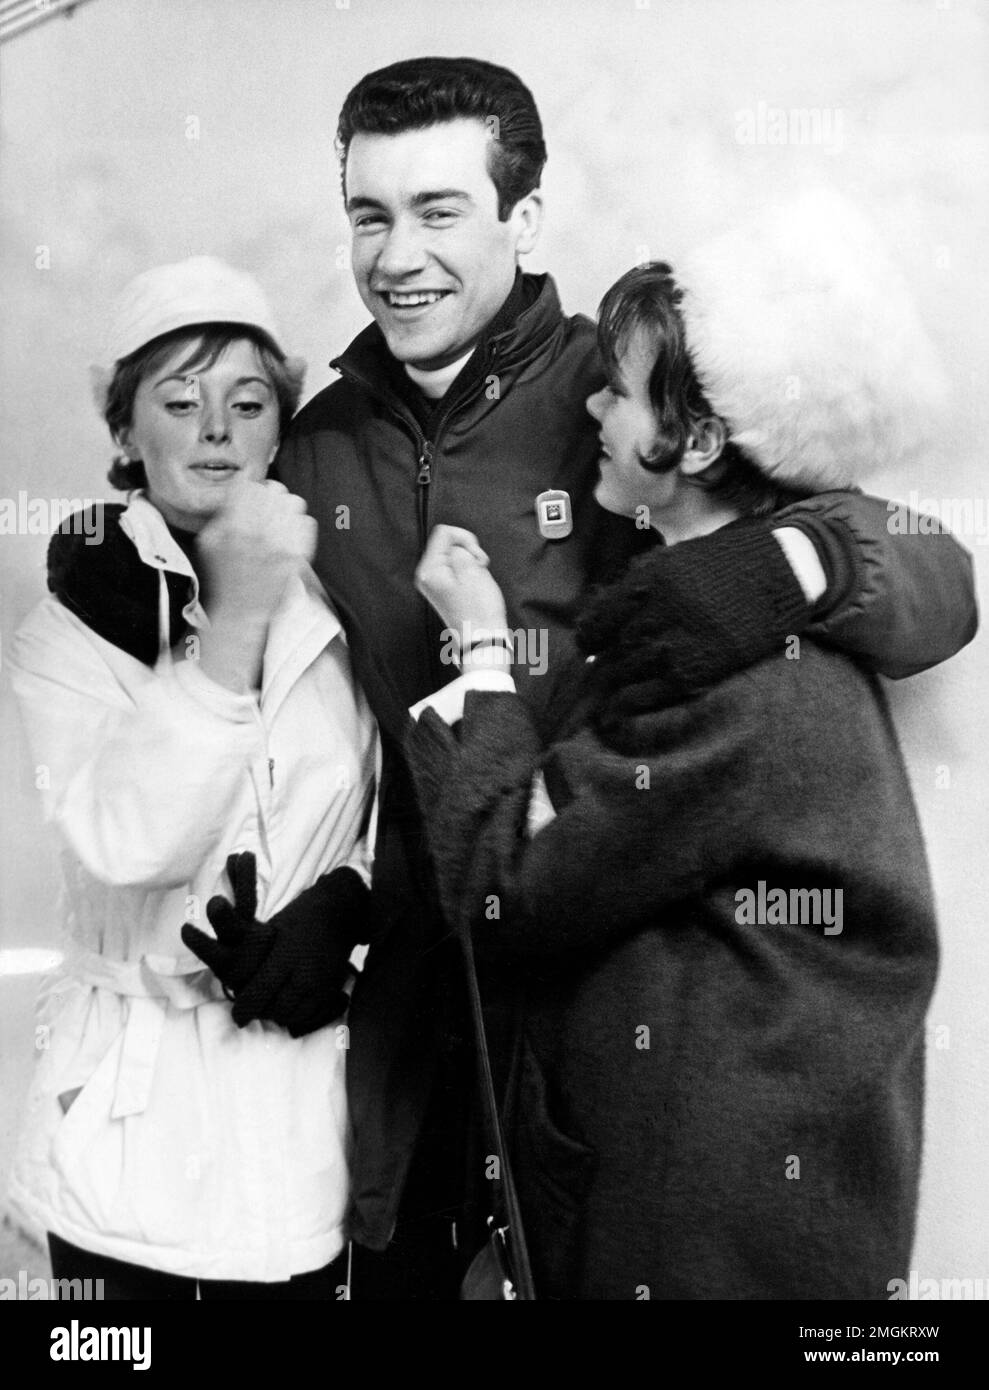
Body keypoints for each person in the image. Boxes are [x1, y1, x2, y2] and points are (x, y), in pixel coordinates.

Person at [271, 57, 976, 1297]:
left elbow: (940, 580)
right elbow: (298, 677)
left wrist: (794, 564)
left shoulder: (633, 391)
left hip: (600, 1020)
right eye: (368, 216)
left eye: (438, 211)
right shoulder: (319, 441)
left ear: (521, 218)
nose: (396, 255)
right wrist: (107, 554)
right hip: (421, 1021)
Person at [406, 194, 946, 1299]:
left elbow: (506, 887)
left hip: (690, 1239)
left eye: (617, 386)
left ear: (697, 440)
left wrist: (476, 652)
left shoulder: (726, 671)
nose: (593, 407)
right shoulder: (737, 620)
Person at [7, 256, 378, 1298]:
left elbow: (371, 802)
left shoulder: (332, 605)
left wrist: (349, 903)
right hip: (127, 1161)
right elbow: (127, 838)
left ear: (279, 431)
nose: (216, 428)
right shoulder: (69, 631)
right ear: (126, 433)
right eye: (179, 401)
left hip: (301, 1156)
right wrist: (234, 621)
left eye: (247, 402)